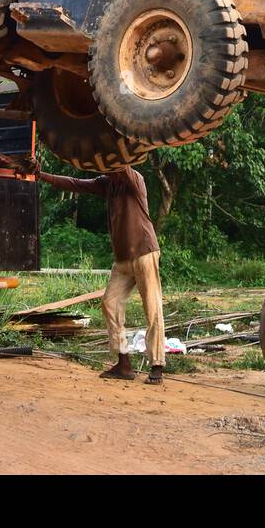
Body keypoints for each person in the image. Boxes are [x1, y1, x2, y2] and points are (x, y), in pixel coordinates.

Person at [32, 162, 165, 384]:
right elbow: (74, 183)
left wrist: (109, 147)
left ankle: (157, 365)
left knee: (152, 307)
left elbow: (122, 166)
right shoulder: (106, 184)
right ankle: (124, 364)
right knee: (110, 303)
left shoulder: (134, 179)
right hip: (122, 259)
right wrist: (41, 175)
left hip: (144, 252)